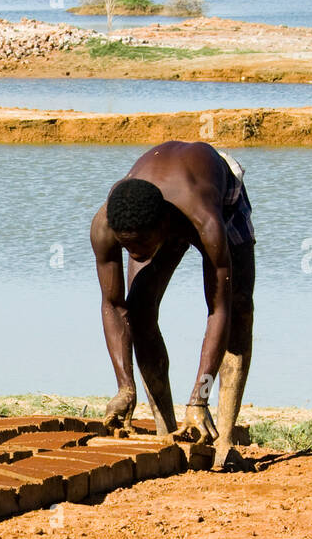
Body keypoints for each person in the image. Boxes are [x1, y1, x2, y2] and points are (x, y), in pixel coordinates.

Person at [89, 140, 256, 469]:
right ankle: (168, 434)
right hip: (161, 196)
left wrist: (200, 395)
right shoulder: (106, 226)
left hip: (220, 197)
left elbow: (217, 309)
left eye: (143, 246)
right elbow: (113, 305)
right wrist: (125, 386)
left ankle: (223, 440)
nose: (136, 255)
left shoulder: (205, 222)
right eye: (128, 248)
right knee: (140, 309)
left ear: (162, 227)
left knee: (238, 310)